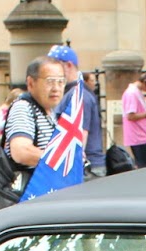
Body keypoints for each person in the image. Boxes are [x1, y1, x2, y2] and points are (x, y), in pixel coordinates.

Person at [48, 44, 104, 177]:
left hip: (86, 169)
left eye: (55, 65)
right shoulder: (72, 93)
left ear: (68, 65)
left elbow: (80, 134)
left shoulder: (79, 95)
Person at [121, 70, 146, 169]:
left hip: (142, 135)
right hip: (138, 136)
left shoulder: (136, 92)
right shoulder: (132, 93)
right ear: (145, 83)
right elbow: (130, 116)